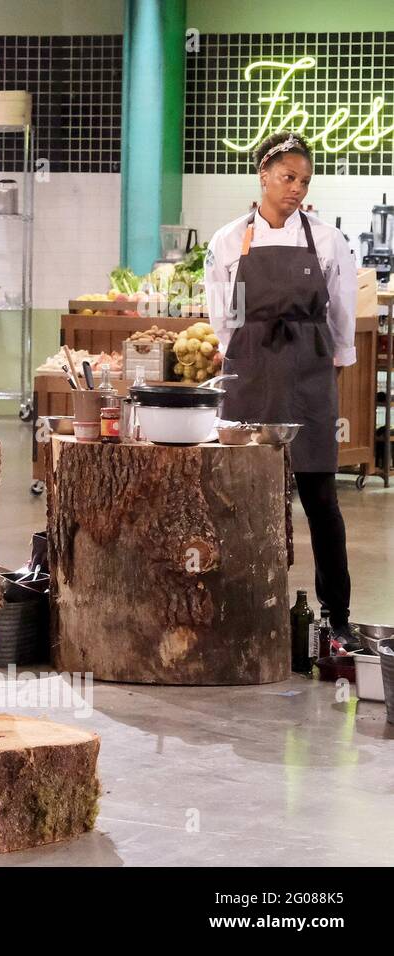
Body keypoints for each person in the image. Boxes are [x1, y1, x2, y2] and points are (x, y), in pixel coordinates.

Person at [206, 131, 357, 643]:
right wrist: (247, 356)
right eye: (288, 177)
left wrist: (330, 364)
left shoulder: (328, 239)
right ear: (263, 175)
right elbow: (223, 316)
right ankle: (243, 609)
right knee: (245, 498)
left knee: (321, 499)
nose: (296, 188)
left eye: (305, 180)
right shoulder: (229, 240)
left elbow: (341, 312)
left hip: (311, 373)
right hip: (251, 373)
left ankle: (337, 616)